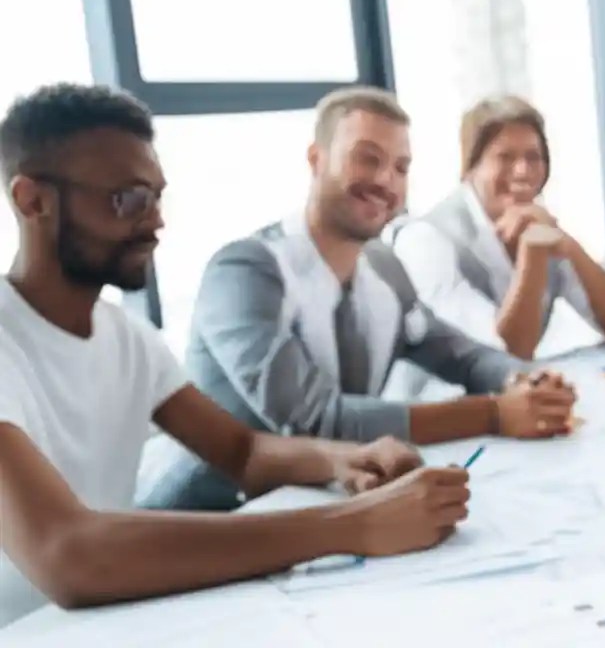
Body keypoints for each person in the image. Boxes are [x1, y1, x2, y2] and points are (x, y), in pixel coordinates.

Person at [0, 84, 470, 628]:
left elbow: (242, 451)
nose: (155, 223)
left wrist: (342, 461)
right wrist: (354, 525)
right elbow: (69, 554)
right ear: (32, 200)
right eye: (128, 199)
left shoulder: (126, 335)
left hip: (107, 624)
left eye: (157, 197)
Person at [136, 87, 576, 512]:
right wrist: (494, 414)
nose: (386, 180)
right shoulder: (245, 271)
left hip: (331, 503)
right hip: (209, 516)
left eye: (401, 167)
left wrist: (525, 382)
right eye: (368, 158)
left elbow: (461, 355)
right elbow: (315, 419)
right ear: (316, 159)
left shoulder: (382, 268)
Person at [388, 96, 605, 361]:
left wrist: (570, 246)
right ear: (470, 168)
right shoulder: (425, 241)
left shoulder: (538, 223)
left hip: (509, 394)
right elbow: (504, 352)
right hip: (439, 396)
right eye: (505, 157)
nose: (522, 172)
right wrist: (533, 252)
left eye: (533, 157)